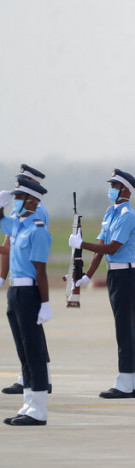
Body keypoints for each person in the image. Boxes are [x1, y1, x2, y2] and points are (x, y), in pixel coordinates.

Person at [69, 169, 135, 399]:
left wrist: (82, 244)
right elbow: (100, 248)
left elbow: (112, 248)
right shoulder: (111, 213)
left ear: (125, 190)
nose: (110, 189)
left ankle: (124, 383)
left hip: (126, 276)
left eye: (114, 185)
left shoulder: (127, 215)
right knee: (128, 327)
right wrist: (88, 275)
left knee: (125, 329)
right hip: (114, 276)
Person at [0, 179, 52, 425]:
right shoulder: (19, 226)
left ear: (32, 201)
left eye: (20, 198)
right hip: (15, 293)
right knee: (23, 352)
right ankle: (28, 405)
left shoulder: (38, 230)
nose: (17, 202)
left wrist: (45, 303)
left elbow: (41, 272)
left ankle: (39, 410)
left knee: (33, 352)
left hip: (30, 294)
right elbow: (1, 222)